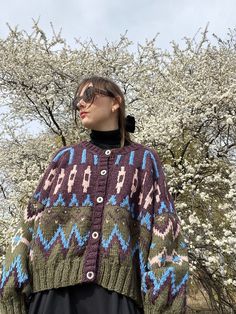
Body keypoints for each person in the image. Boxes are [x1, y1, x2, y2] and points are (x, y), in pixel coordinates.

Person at [0, 75, 190, 314]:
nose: (80, 103)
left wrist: (164, 301)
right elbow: (28, 224)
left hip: (117, 298)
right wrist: (11, 291)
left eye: (88, 95)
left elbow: (164, 232)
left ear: (115, 102)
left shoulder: (144, 161)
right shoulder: (65, 158)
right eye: (76, 100)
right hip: (50, 296)